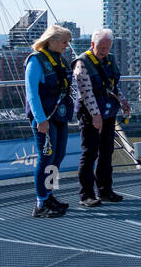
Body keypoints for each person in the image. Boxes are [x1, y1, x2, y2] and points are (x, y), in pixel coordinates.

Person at [74, 28, 130, 207]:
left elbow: (112, 86)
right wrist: (95, 116)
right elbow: (86, 93)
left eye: (108, 47)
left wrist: (122, 101)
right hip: (91, 114)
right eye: (101, 47)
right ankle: (86, 195)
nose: (104, 51)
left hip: (108, 112)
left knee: (107, 152)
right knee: (90, 153)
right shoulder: (82, 63)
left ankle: (105, 190)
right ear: (92, 44)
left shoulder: (109, 60)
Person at [24, 24, 75, 218]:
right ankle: (40, 203)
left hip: (59, 116)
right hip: (45, 118)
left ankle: (49, 194)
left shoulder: (58, 60)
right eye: (64, 42)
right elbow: (32, 93)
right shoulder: (36, 61)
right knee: (46, 158)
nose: (67, 46)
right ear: (51, 41)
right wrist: (40, 119)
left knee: (57, 156)